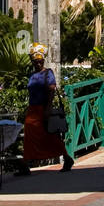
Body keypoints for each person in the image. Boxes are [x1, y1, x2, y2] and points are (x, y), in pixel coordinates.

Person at [20, 43, 73, 174]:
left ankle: (67, 158)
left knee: (51, 136)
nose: (37, 63)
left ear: (43, 60)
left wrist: (48, 109)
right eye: (35, 61)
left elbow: (51, 91)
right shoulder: (31, 75)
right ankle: (25, 164)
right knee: (29, 136)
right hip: (32, 109)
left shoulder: (48, 73)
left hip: (43, 109)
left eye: (40, 61)